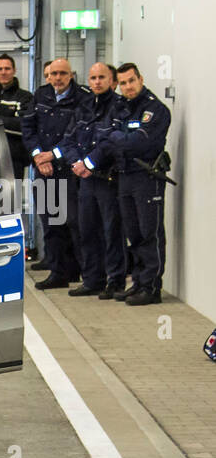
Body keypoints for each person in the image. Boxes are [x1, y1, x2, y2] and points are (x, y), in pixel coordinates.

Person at [80, 62, 172, 305]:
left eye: (131, 81)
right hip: (124, 176)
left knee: (149, 233)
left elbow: (139, 143)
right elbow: (105, 138)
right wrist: (119, 139)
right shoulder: (121, 108)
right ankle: (139, 282)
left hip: (146, 177)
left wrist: (118, 138)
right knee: (133, 234)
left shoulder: (155, 109)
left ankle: (152, 288)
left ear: (141, 79)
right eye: (123, 83)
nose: (128, 87)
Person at [21, 58, 91, 288]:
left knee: (74, 223)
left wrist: (54, 155)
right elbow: (28, 127)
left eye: (63, 73)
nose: (58, 78)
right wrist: (38, 155)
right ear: (47, 76)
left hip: (70, 169)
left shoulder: (83, 97)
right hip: (44, 168)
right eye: (54, 74)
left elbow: (80, 133)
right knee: (51, 224)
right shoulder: (40, 95)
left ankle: (83, 274)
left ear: (71, 75)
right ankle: (58, 273)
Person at [66, 63, 128, 298]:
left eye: (102, 77)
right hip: (85, 180)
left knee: (111, 230)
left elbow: (110, 141)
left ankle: (116, 280)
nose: (97, 82)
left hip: (107, 178)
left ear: (112, 81)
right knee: (87, 230)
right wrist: (75, 163)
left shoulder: (119, 107)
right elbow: (68, 140)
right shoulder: (83, 108)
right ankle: (93, 279)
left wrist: (88, 163)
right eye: (92, 78)